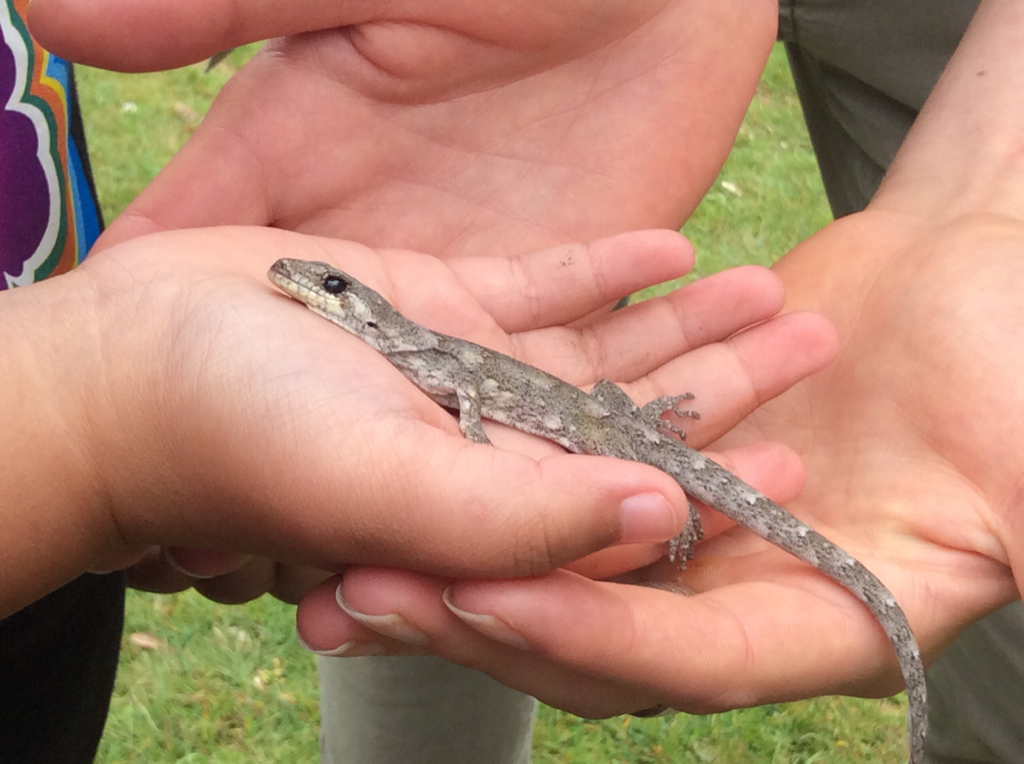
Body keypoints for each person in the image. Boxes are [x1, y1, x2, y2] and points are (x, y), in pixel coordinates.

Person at [25, 0, 1024, 761]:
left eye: (324, 285)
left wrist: (474, 447)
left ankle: (686, 520)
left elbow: (465, 398)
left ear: (352, 302)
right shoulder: (395, 339)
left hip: (602, 424)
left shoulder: (409, 348)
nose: (307, 287)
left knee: (663, 489)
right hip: (596, 412)